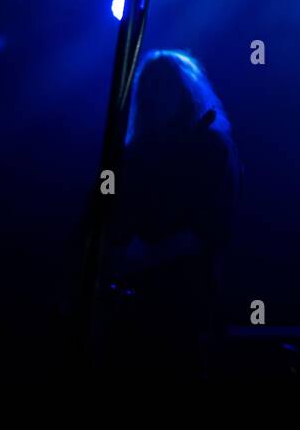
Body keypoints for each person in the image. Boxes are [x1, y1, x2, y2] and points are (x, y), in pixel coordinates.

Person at [97, 49, 242, 375]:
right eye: (150, 87)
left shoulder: (209, 147)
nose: (155, 95)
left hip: (183, 306)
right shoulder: (134, 154)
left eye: (164, 85)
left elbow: (208, 230)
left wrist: (140, 257)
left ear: (184, 91)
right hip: (132, 309)